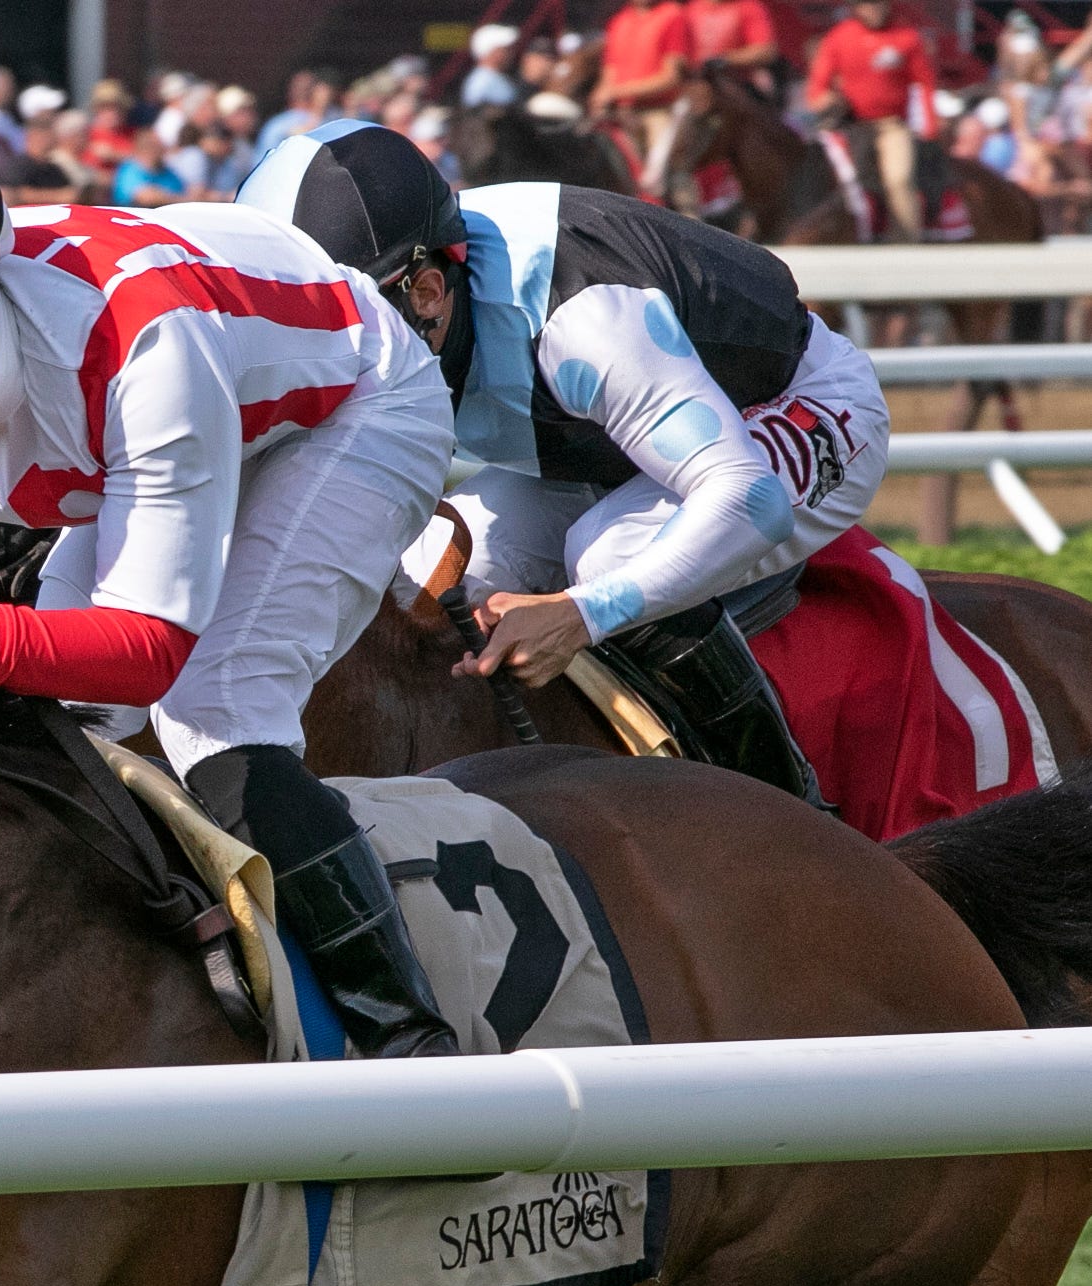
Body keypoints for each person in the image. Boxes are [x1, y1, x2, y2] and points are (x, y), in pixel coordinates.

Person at [0, 103, 461, 1061]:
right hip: (149, 420)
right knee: (53, 708)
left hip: (356, 403)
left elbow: (147, 652)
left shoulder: (145, 348)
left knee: (214, 710)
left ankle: (410, 1044)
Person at [240, 121, 871, 805]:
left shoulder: (586, 323)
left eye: (342, 331)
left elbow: (747, 496)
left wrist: (577, 615)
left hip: (783, 407)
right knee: (419, 582)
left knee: (606, 559)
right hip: (601, 438)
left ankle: (789, 805)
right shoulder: (422, 289)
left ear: (426, 291)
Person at [805, 0, 944, 243]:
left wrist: (930, 125)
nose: (873, 10)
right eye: (867, 4)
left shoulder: (906, 37)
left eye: (878, 4)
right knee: (843, 184)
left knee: (898, 180)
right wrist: (828, 100)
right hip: (853, 127)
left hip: (892, 126)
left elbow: (924, 83)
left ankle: (907, 243)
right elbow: (817, 89)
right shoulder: (840, 37)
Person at [592, 0, 693, 163]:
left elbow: (672, 77)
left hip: (658, 110)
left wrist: (616, 92)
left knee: (662, 169)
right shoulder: (619, 21)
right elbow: (609, 72)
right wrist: (600, 96)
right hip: (620, 112)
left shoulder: (672, 16)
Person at [462, 25, 523, 108]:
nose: (511, 53)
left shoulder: (493, 78)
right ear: (491, 51)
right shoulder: (482, 82)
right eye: (506, 49)